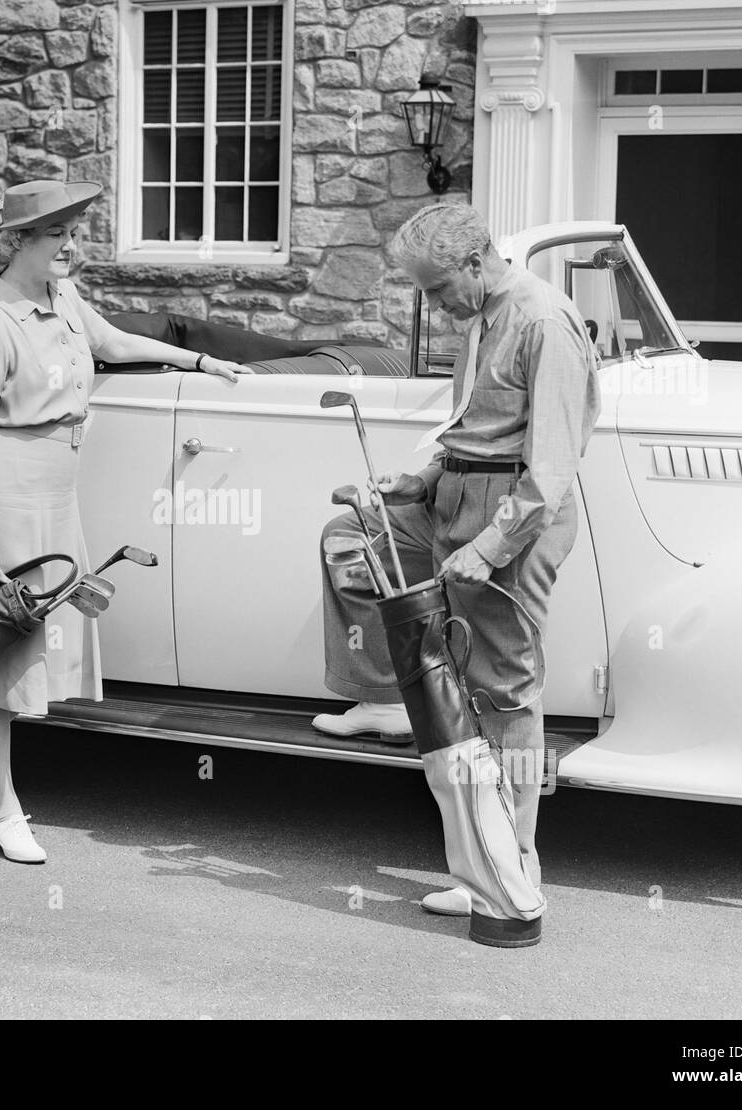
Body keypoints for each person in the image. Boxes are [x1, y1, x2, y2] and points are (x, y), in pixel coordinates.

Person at [0, 179, 250, 863]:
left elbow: (115, 343)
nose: (72, 245)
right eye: (57, 234)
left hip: (55, 499)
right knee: (0, 659)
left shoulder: (60, 298)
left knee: (25, 655)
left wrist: (203, 361)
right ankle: (2, 812)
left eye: (72, 231)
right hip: (3, 500)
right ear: (19, 243)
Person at [313, 202, 599, 914]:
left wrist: (490, 546)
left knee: (505, 693)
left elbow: (551, 470)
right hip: (458, 497)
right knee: (355, 544)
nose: (435, 307)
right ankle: (477, 855)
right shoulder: (480, 318)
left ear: (476, 262)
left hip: (515, 515)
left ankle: (516, 867)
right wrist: (421, 482)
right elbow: (472, 428)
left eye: (440, 290)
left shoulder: (543, 323)